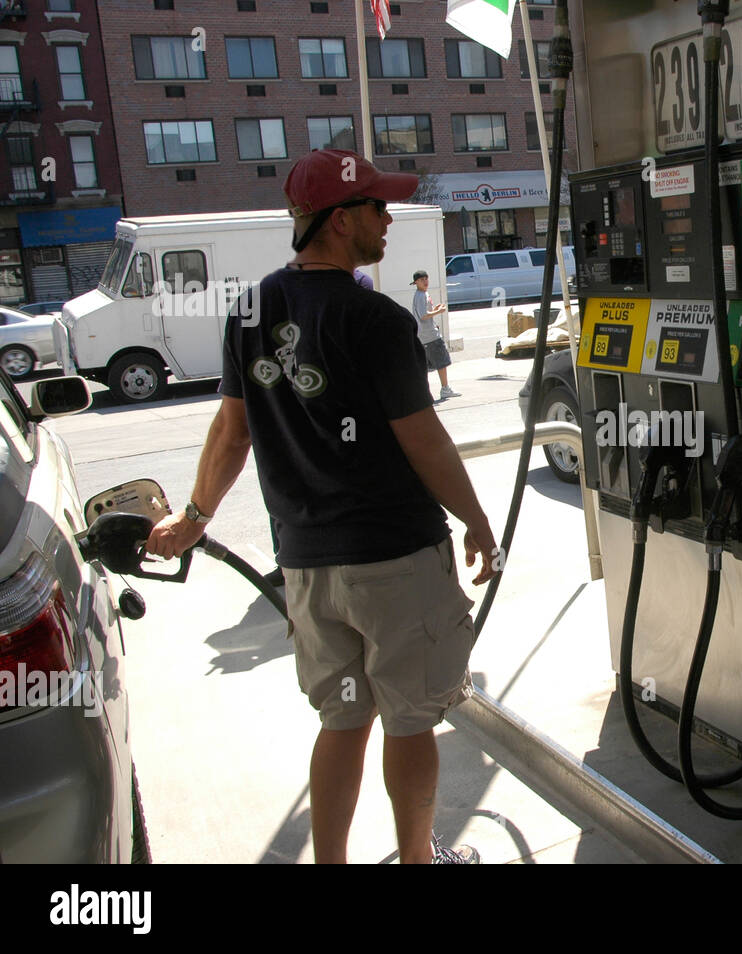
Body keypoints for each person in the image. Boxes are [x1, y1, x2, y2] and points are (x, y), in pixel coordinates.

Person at [146, 148, 498, 865]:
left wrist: (194, 517)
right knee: (408, 721)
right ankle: (416, 862)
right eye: (376, 208)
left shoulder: (250, 309)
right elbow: (422, 440)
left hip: (307, 568)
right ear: (341, 222)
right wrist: (477, 519)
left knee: (342, 721)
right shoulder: (375, 319)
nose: (388, 219)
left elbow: (230, 432)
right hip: (395, 559)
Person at [411, 270, 457, 401]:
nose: (425, 282)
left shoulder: (422, 294)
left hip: (425, 335)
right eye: (421, 280)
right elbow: (423, 315)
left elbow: (424, 313)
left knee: (426, 366)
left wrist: (434, 310)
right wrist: (438, 311)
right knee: (441, 362)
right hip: (430, 336)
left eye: (426, 278)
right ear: (415, 283)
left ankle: (424, 393)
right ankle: (445, 389)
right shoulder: (420, 295)